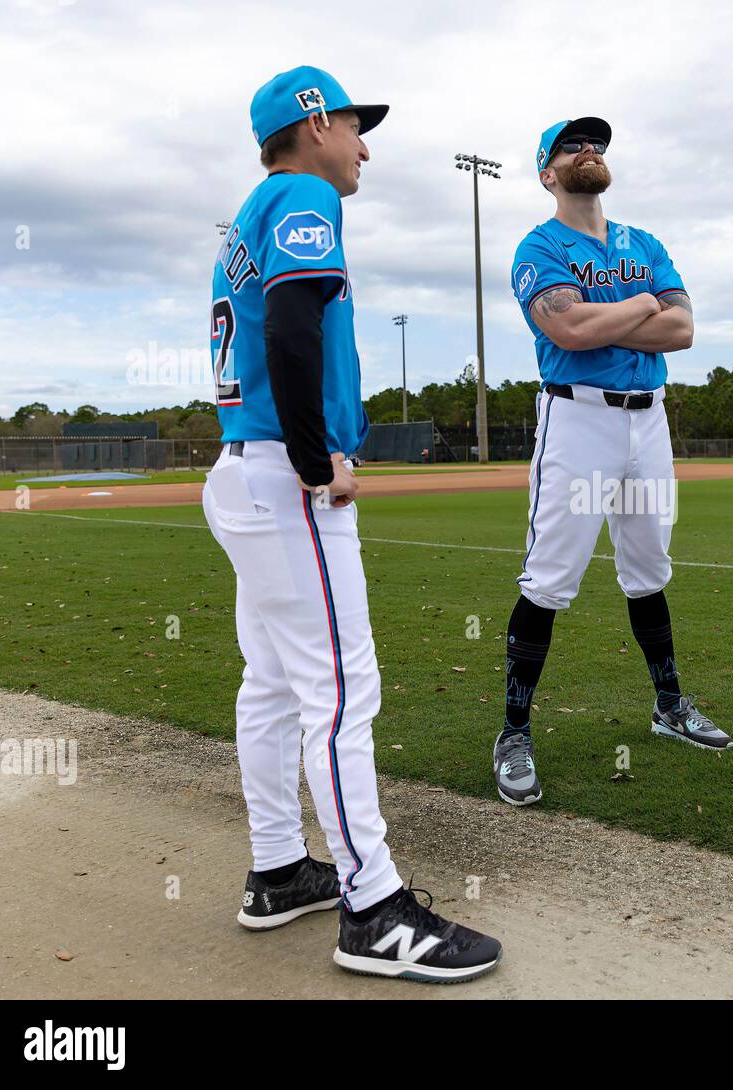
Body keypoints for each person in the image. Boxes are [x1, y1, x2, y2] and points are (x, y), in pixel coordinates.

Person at [203, 65, 500, 982]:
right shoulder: (299, 194)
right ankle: (373, 911)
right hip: (285, 479)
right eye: (353, 125)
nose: (363, 144)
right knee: (339, 692)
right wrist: (311, 459)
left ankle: (280, 868)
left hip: (240, 472)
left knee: (274, 686)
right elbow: (293, 330)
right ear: (312, 124)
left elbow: (275, 328)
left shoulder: (244, 221)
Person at [495, 116, 733, 807]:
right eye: (571, 145)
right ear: (548, 172)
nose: (586, 150)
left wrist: (605, 313)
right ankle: (513, 733)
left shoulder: (644, 242)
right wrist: (638, 305)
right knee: (549, 579)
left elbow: (683, 329)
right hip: (577, 420)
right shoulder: (540, 245)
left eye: (593, 142)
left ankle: (668, 706)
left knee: (650, 569)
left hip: (647, 420)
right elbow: (565, 328)